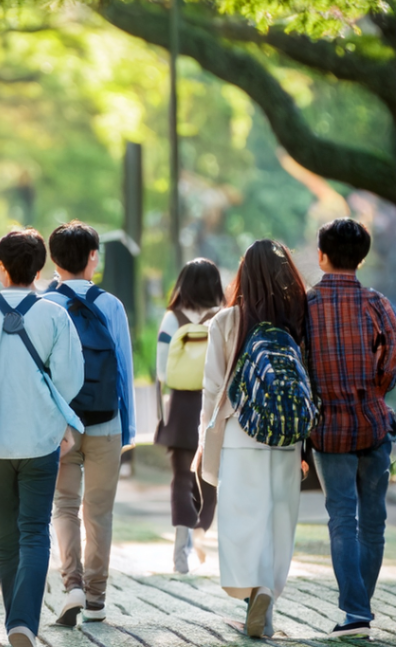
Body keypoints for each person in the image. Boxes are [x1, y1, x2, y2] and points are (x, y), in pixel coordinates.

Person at [0, 229, 85, 647]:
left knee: (3, 532)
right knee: (35, 530)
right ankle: (23, 622)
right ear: (39, 269)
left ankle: (15, 617)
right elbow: (70, 379)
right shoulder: (54, 314)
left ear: (0, 266)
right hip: (41, 439)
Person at [199, 239, 307, 638]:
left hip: (238, 432)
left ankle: (252, 596)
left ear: (242, 273)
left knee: (243, 520)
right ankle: (266, 593)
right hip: (285, 436)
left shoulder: (226, 321)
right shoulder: (297, 319)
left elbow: (211, 390)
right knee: (279, 521)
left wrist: (203, 444)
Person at [305, 219, 396, 638]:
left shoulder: (305, 306)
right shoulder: (377, 303)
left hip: (327, 430)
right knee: (373, 524)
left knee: (341, 518)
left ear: (321, 255)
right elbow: (391, 363)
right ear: (361, 258)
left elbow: (300, 366)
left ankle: (356, 613)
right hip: (373, 424)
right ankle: (359, 610)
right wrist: (372, 393)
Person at [44, 221, 136, 626]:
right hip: (106, 423)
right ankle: (96, 599)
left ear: (53, 259)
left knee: (64, 507)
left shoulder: (45, 304)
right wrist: (127, 430)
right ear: (93, 257)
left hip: (59, 426)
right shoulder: (112, 305)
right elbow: (125, 373)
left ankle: (73, 586)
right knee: (99, 512)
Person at [154, 258, 224, 573]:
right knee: (211, 478)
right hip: (213, 407)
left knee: (181, 479)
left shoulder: (172, 320)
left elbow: (160, 371)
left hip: (181, 408)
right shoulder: (222, 318)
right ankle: (200, 533)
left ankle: (179, 551)